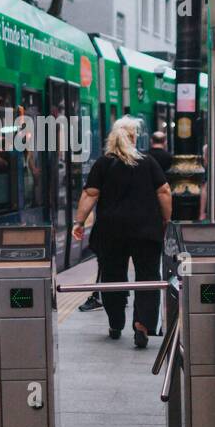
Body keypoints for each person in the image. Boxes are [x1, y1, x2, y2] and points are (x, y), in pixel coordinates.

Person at [72, 117, 172, 348]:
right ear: (134, 138)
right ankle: (142, 325)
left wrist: (78, 222)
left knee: (112, 277)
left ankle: (116, 322)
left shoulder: (103, 164)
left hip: (111, 232)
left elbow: (90, 194)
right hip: (146, 231)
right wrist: (165, 220)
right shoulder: (148, 162)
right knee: (147, 276)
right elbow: (164, 191)